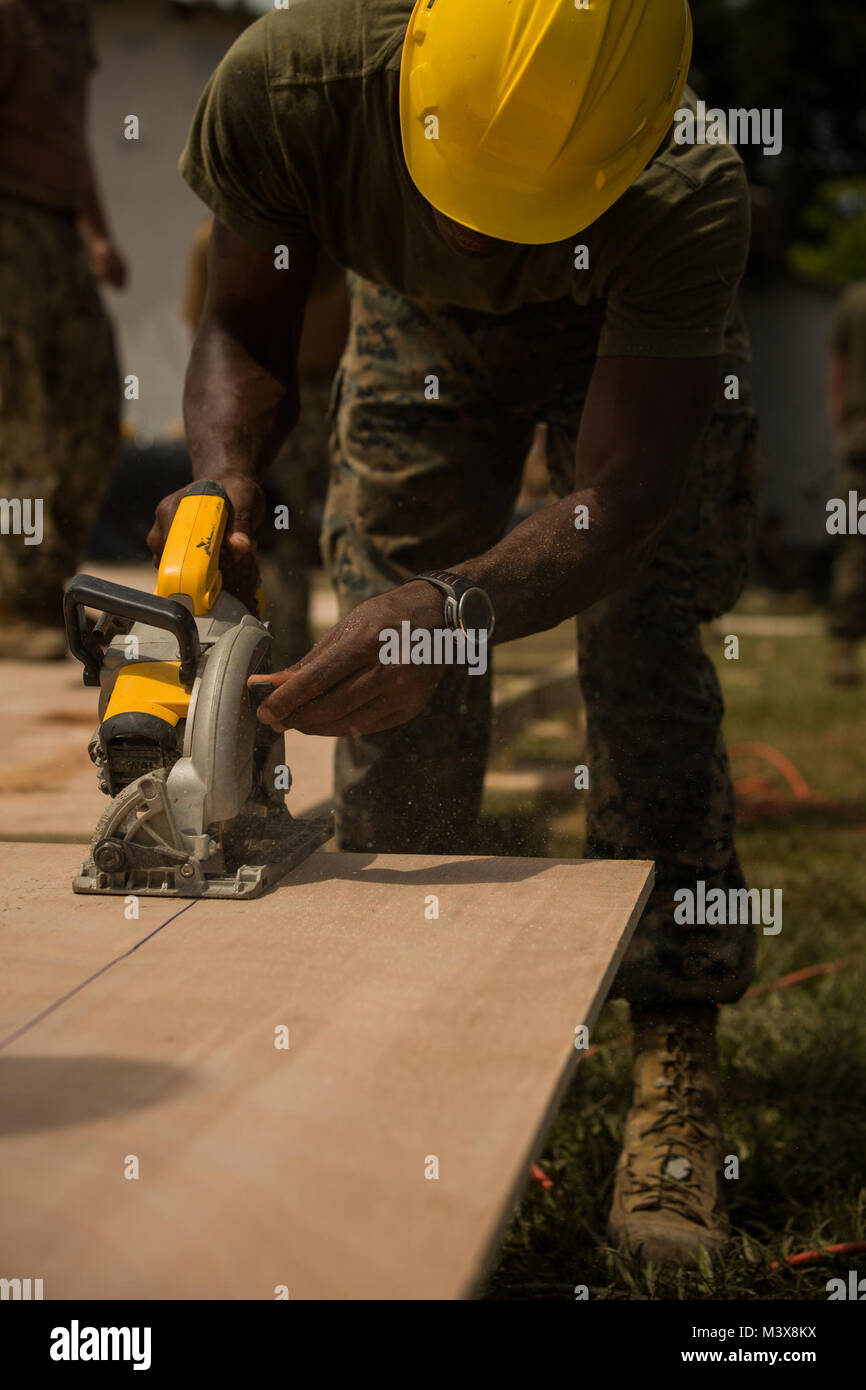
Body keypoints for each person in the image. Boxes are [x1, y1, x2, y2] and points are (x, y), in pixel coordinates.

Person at [148, 0, 760, 1267]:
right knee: (385, 654)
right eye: (463, 195)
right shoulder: (293, 85)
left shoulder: (683, 183)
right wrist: (223, 479)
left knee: (640, 637)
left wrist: (461, 610)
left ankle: (674, 1059)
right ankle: (383, 1047)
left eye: (522, 210)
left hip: (624, 337)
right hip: (417, 333)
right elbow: (245, 328)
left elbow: (620, 497)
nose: (486, 233)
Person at [0, 0, 125, 659]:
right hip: (8, 223)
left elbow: (72, 138)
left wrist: (96, 230)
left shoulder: (70, 18)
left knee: (94, 404)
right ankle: (9, 604)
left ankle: (47, 582)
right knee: (19, 416)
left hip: (58, 226)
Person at [182, 217, 348, 667]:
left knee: (355, 525)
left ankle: (356, 649)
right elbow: (210, 330)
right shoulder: (218, 240)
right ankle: (274, 647)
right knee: (273, 528)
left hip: (340, 390)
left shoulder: (350, 238)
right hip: (263, 391)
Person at [827, 279, 866, 685]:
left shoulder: (852, 299)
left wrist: (841, 429)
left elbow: (836, 373)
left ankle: (844, 654)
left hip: (858, 436)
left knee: (853, 538)